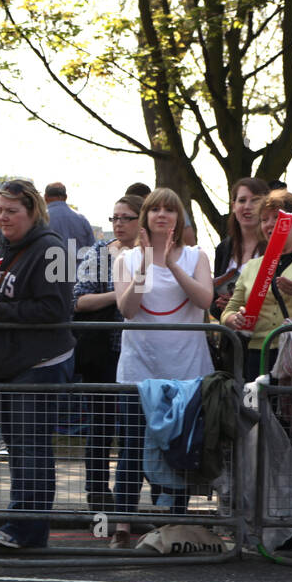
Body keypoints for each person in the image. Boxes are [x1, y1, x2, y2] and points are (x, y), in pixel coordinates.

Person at [0, 179, 74, 550]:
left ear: (32, 211)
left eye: (11, 211)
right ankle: (19, 525)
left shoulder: (52, 248)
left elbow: (57, 309)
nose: (3, 217)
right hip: (2, 364)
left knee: (31, 446)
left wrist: (1, 310)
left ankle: (27, 530)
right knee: (18, 446)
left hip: (40, 362)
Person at [110, 188, 215, 548]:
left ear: (179, 217)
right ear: (146, 217)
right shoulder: (126, 259)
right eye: (155, 209)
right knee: (132, 450)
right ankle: (122, 526)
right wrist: (145, 264)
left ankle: (173, 524)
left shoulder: (196, 256)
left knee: (178, 449)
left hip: (186, 372)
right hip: (138, 372)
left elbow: (204, 300)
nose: (162, 215)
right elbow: (127, 309)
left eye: (170, 209)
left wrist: (171, 264)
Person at [72, 193, 144, 514]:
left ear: (142, 220)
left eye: (126, 217)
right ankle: (98, 495)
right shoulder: (100, 253)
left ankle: (128, 498)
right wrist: (120, 293)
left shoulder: (154, 256)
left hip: (141, 354)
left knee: (135, 428)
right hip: (104, 353)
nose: (118, 224)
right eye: (114, 217)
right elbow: (79, 300)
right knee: (100, 425)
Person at [222, 189, 292, 378]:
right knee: (259, 408)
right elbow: (229, 310)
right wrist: (235, 319)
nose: (270, 224)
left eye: (277, 217)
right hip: (259, 355)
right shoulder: (252, 266)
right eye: (264, 219)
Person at [212, 177, 270, 317]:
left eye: (255, 200)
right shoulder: (224, 248)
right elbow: (213, 304)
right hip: (232, 334)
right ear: (233, 206)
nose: (247, 206)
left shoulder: (276, 246)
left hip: (266, 333)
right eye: (242, 200)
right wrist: (224, 306)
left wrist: (241, 305)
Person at [44, 181, 95, 252]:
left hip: (51, 263)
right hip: (78, 263)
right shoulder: (82, 219)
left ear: (45, 197)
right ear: (65, 197)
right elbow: (92, 250)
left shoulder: (40, 220)